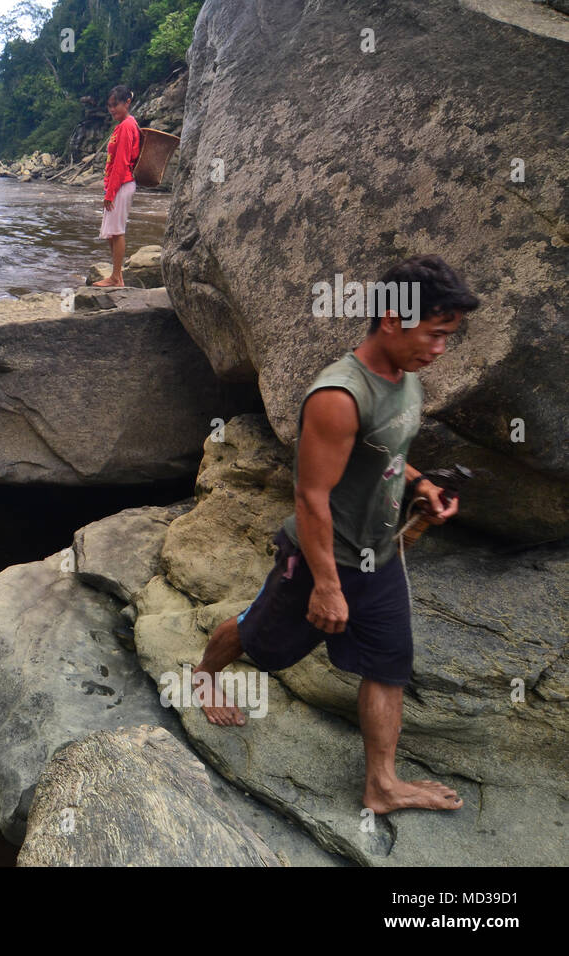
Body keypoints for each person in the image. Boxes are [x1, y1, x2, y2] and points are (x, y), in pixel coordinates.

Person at [191, 254, 480, 816]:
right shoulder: (338, 397)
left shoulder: (406, 376)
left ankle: (382, 784)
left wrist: (421, 487)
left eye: (448, 336)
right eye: (436, 333)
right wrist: (326, 585)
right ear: (393, 320)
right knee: (261, 640)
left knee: (389, 663)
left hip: (383, 554)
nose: (440, 349)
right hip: (322, 560)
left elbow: (390, 453)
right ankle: (203, 676)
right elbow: (311, 496)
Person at [94, 85, 141, 288]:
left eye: (116, 105)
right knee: (112, 231)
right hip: (119, 185)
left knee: (117, 231)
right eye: (109, 106)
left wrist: (110, 193)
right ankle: (117, 276)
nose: (112, 109)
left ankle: (116, 277)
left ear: (127, 103)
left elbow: (121, 163)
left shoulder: (126, 126)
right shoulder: (124, 124)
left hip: (122, 185)